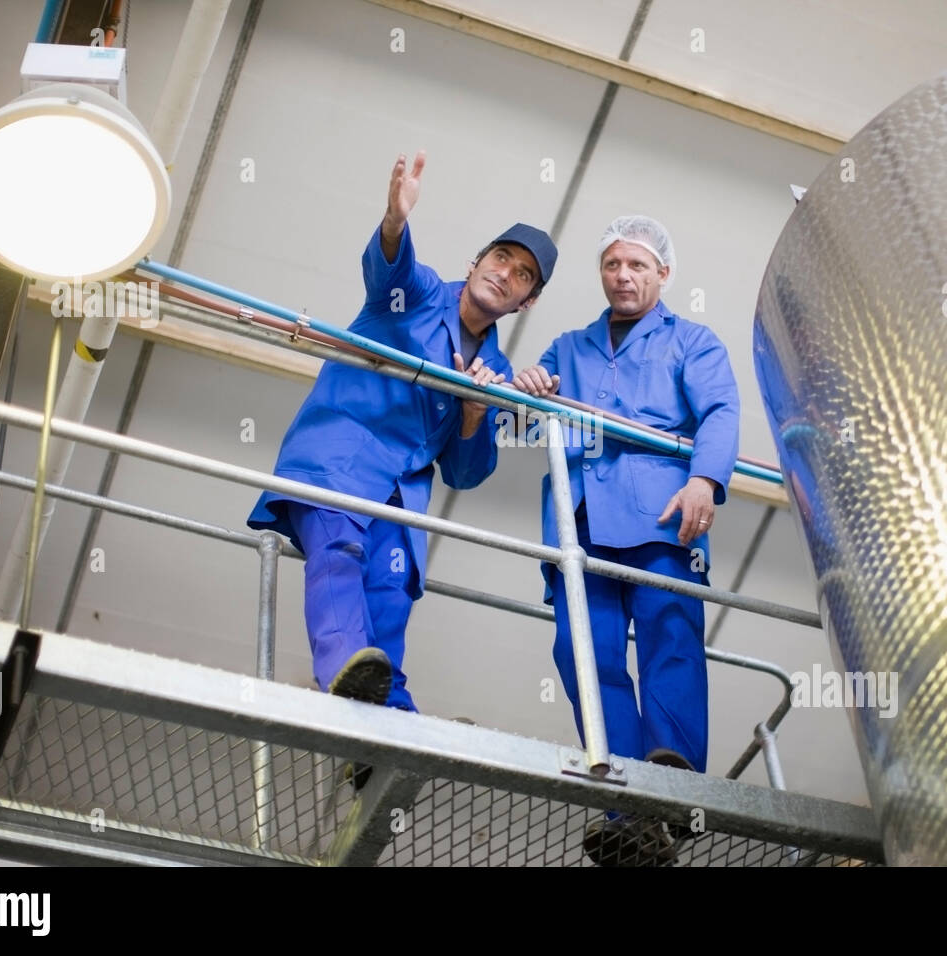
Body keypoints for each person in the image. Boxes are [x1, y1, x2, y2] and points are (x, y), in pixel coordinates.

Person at [248, 151, 557, 727]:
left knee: (391, 592)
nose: (505, 274)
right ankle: (346, 679)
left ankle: (388, 723)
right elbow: (390, 267)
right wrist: (395, 220)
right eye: (501, 258)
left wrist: (472, 409)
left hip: (401, 495)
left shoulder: (494, 370)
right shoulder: (416, 295)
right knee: (338, 551)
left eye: (522, 276)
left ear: (527, 301)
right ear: (477, 260)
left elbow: (465, 472)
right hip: (337, 460)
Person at [512, 215, 739, 866]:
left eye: (637, 265)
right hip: (579, 523)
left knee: (670, 638)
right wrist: (527, 390)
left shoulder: (691, 342)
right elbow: (527, 427)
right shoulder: (569, 347)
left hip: (663, 517)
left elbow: (720, 411)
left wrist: (704, 480)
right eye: (613, 264)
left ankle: (669, 781)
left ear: (663, 275)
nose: (623, 275)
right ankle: (625, 802)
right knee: (582, 650)